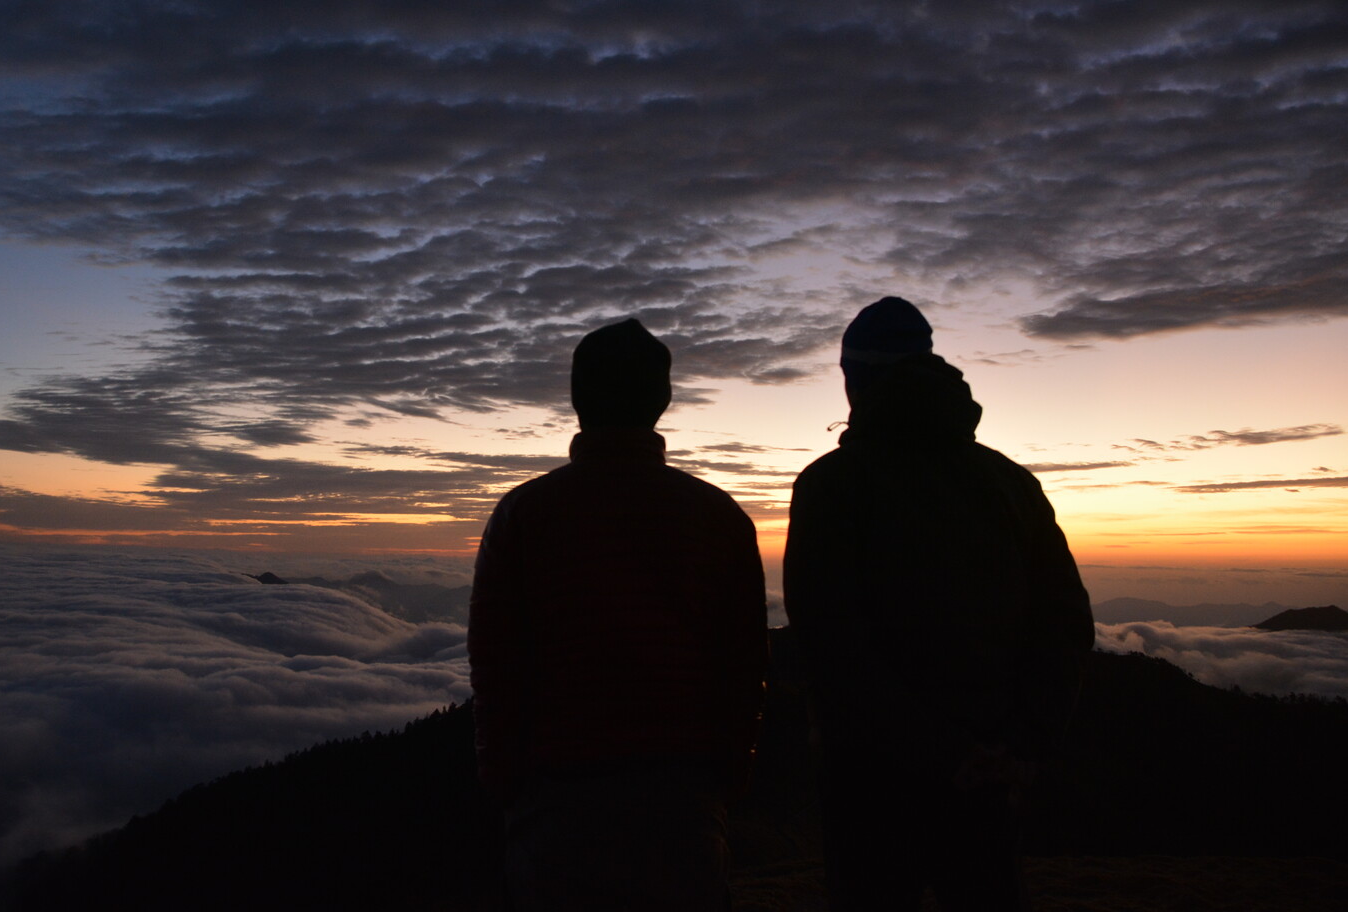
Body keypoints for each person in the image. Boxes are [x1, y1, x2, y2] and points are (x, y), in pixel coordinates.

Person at [783, 297, 1093, 911]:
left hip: (869, 785)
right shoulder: (1010, 485)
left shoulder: (831, 487)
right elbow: (1064, 625)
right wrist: (1020, 746)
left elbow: (830, 644)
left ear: (856, 380)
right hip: (991, 780)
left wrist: (942, 754)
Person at [468, 318, 768, 912]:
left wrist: (505, 785)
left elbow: (496, 668)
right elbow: (745, 669)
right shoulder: (720, 516)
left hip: (556, 808)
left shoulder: (526, 514)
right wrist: (726, 785)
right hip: (685, 806)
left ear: (579, 401)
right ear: (661, 403)